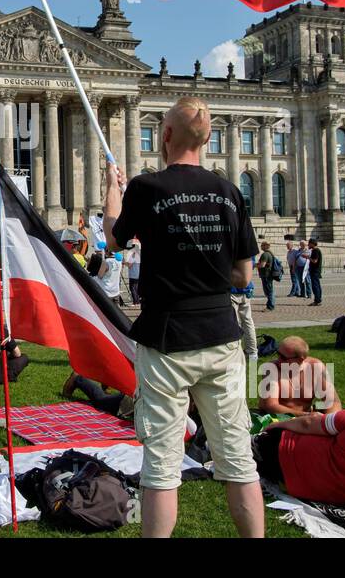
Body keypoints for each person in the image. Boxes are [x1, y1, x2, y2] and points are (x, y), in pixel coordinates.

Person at [104, 96, 264, 538]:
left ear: (166, 135)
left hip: (167, 336)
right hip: (220, 334)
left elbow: (114, 242)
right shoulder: (229, 191)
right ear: (208, 138)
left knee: (161, 463)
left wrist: (111, 187)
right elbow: (242, 273)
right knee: (237, 457)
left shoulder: (147, 187)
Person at [258, 336, 341, 417]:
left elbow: (333, 402)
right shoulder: (271, 368)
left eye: (283, 357)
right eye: (278, 354)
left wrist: (328, 421)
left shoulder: (316, 367)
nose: (278, 359)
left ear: (300, 359)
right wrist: (307, 416)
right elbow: (272, 406)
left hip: (304, 418)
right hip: (276, 418)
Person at [232, 259, 258, 367]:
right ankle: (252, 352)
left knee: (235, 322)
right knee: (248, 322)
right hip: (246, 289)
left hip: (233, 290)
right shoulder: (247, 252)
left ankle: (236, 352)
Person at [256, 240, 276, 311]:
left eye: (262, 245)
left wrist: (254, 265)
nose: (261, 247)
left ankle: (270, 306)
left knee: (268, 291)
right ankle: (271, 305)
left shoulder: (265, 254)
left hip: (266, 275)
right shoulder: (269, 254)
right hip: (268, 274)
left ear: (265, 246)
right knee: (269, 290)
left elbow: (262, 265)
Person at [124, 238, 142, 305]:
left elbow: (129, 265)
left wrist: (123, 262)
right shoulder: (139, 253)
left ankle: (136, 302)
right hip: (138, 274)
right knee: (137, 289)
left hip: (133, 275)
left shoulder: (133, 254)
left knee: (132, 288)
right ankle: (138, 302)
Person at [306, 238, 324, 306]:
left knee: (315, 286)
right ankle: (318, 299)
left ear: (312, 244)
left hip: (315, 271)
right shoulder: (315, 250)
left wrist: (307, 257)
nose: (308, 245)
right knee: (317, 286)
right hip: (315, 271)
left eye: (309, 243)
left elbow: (315, 261)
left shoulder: (315, 250)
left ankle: (317, 300)